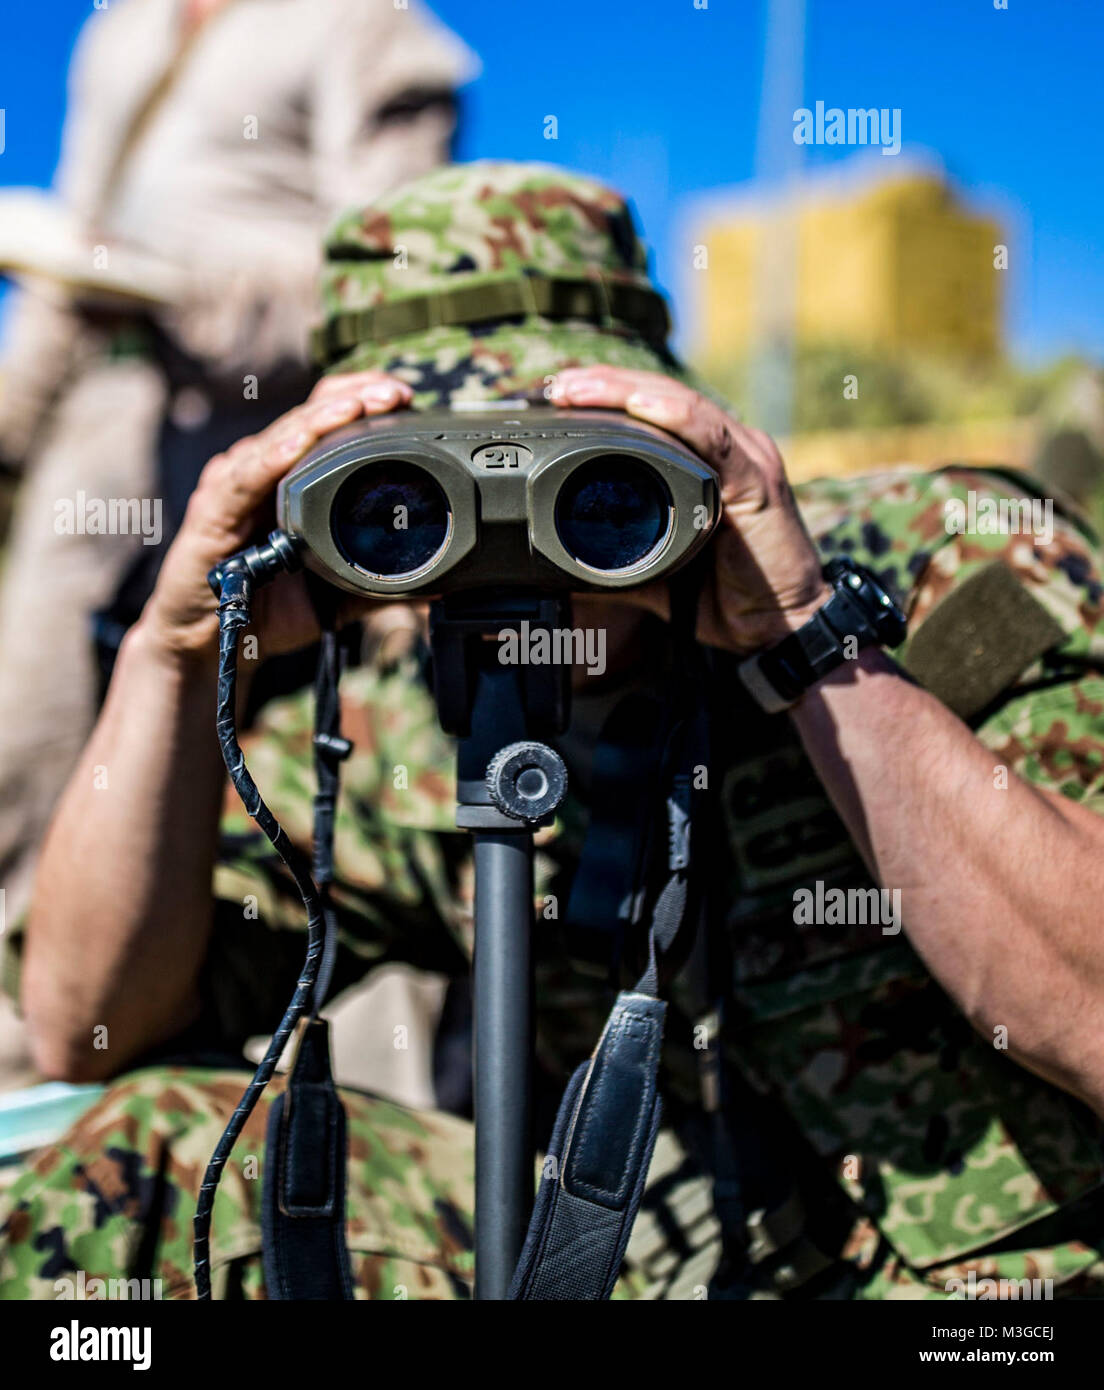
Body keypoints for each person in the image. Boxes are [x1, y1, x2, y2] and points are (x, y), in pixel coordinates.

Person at [3, 160, 1104, 1300]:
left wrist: (813, 644)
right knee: (139, 1163)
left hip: (999, 1287)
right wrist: (177, 654)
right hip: (631, 1257)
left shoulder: (939, 570)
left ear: (690, 439)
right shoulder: (393, 702)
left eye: (595, 489)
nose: (510, 543)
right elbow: (90, 1023)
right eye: (411, 502)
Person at [0, 0, 474, 936]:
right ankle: (38, 1036)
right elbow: (69, 257)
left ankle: (257, 1036)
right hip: (101, 441)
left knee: (270, 760)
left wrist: (185, 298)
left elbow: (399, 265)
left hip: (275, 437)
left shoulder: (368, 25)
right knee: (32, 732)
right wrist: (12, 431)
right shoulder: (120, 31)